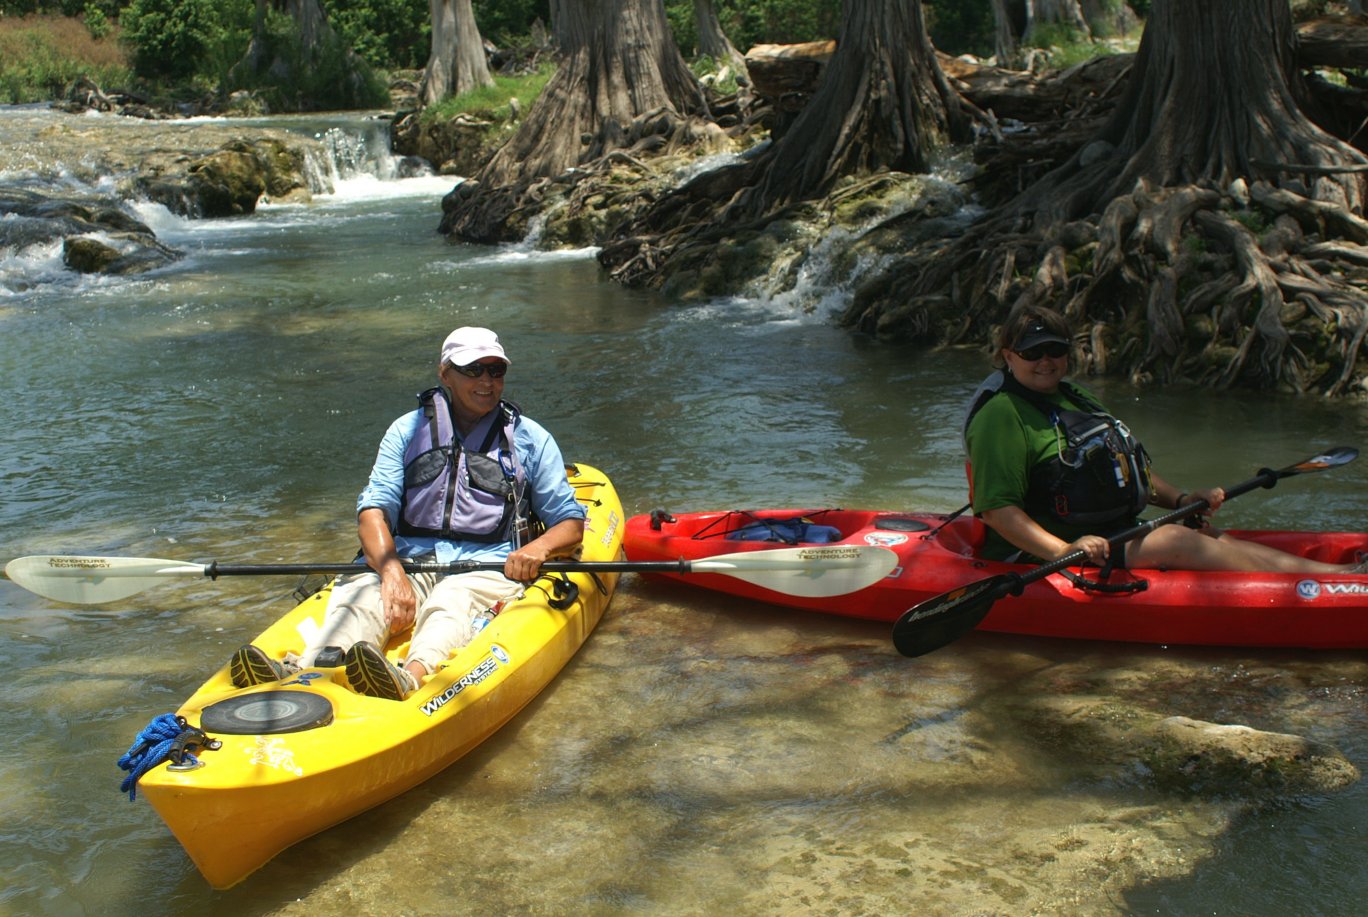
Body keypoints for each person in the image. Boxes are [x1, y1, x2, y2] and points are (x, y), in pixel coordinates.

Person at [228, 326, 587, 700]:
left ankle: (411, 677)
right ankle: (312, 670)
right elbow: (373, 510)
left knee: (450, 601)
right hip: (412, 559)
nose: (487, 381)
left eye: (495, 370)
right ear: (445, 373)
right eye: (473, 369)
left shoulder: (529, 438)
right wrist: (390, 570)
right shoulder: (407, 430)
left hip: (487, 566)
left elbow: (570, 522)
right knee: (366, 594)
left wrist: (538, 550)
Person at [962, 307, 1361, 575]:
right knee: (1178, 540)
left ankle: (1337, 577)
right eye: (1033, 352)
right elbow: (997, 511)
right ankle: (1341, 583)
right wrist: (1060, 551)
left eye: (1055, 350)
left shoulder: (1074, 397)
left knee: (1200, 531)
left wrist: (1182, 500)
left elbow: (1124, 469)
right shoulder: (1002, 415)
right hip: (1043, 553)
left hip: (1110, 532)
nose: (1046, 361)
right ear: (1008, 356)